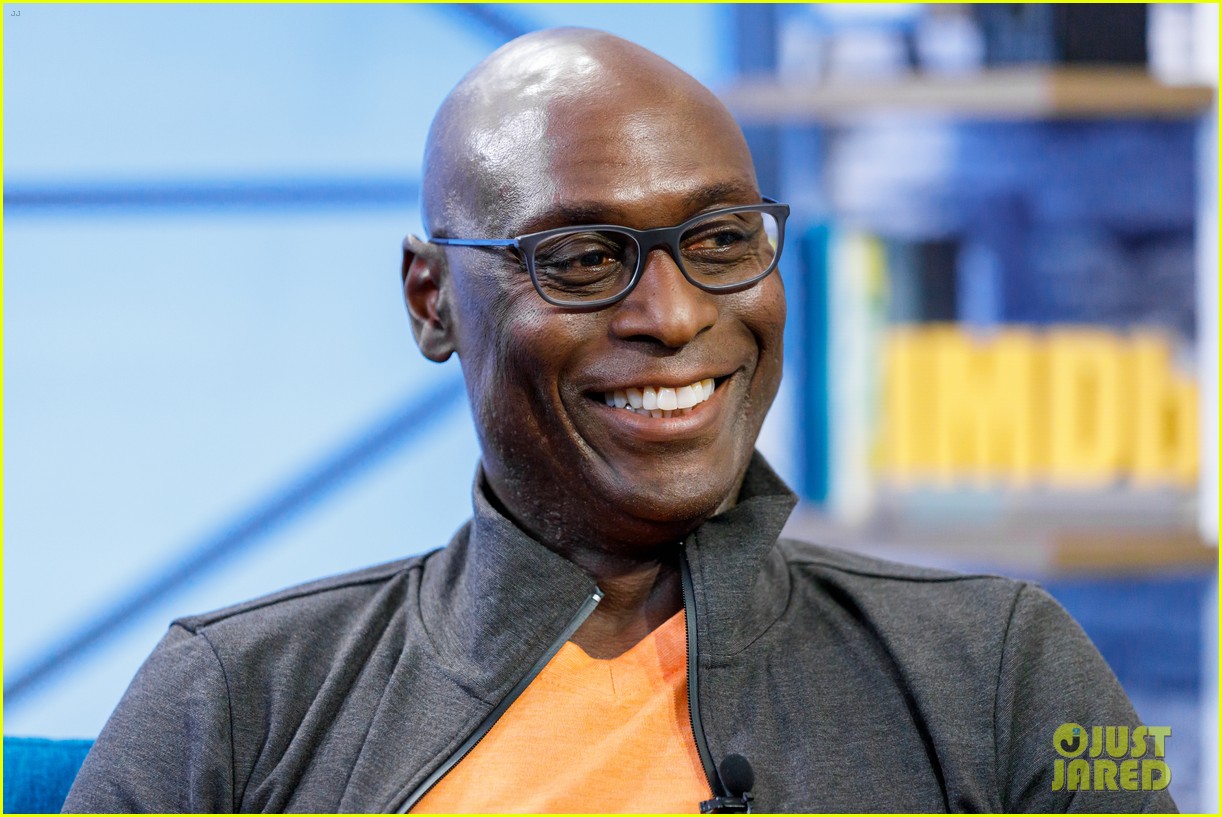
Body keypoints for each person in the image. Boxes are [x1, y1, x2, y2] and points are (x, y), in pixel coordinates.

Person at [64, 28, 1175, 814]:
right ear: (431, 301)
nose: (675, 315)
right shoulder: (235, 699)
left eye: (723, 240)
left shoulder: (1002, 667)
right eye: (584, 258)